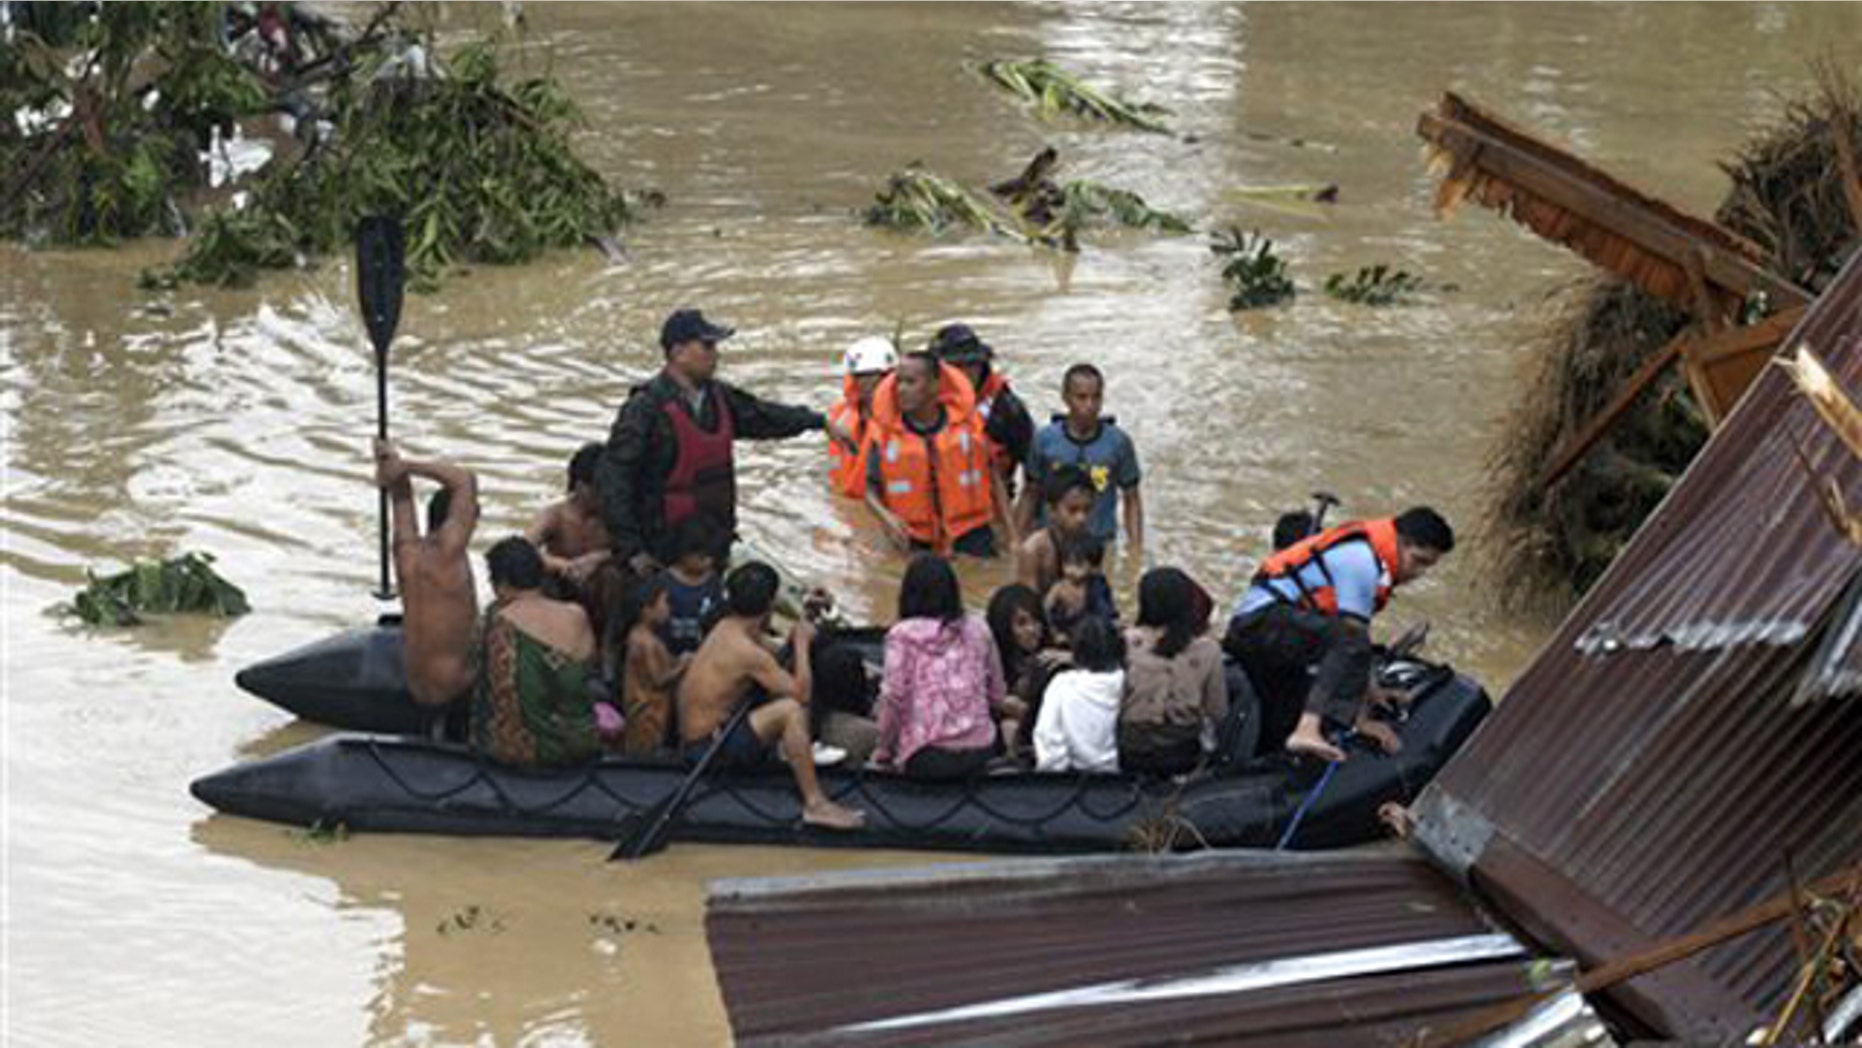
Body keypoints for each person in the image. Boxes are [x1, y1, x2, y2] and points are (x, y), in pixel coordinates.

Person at [598, 308, 845, 574]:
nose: (716, 354)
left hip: (715, 541)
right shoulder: (644, 408)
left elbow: (765, 417)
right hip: (664, 548)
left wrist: (817, 421)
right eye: (707, 345)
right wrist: (632, 550)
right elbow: (614, 480)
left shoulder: (720, 397)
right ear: (678, 352)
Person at [1223, 507, 1456, 762]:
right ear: (1401, 542)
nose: (1418, 573)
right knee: (1349, 638)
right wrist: (1361, 721)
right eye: (1418, 560)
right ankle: (1307, 729)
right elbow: (1352, 640)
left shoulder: (1372, 556)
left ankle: (1270, 758)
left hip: (1279, 631)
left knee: (1282, 716)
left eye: (1428, 566)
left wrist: (1372, 690)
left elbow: (1354, 639)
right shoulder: (1361, 561)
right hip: (1259, 626)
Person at [675, 562, 864, 829]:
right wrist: (801, 643)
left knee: (782, 696)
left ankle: (798, 758)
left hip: (708, 734)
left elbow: (774, 662)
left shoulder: (728, 627)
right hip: (708, 750)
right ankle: (815, 804)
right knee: (790, 710)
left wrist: (807, 616)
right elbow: (802, 693)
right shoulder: (745, 650)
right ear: (770, 603)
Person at [872, 555, 1024, 780]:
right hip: (981, 751)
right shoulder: (979, 629)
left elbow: (894, 698)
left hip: (925, 757)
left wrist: (883, 751)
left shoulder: (901, 635)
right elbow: (997, 695)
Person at [864, 352, 1016, 557]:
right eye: (898, 382)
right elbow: (868, 489)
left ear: (935, 385)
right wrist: (887, 518)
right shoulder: (884, 437)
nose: (901, 389)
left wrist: (1012, 535)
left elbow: (995, 478)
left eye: (911, 382)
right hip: (915, 539)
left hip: (972, 535)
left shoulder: (970, 427)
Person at [469, 536, 602, 767]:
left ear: (500, 583)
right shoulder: (576, 615)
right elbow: (589, 663)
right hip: (580, 747)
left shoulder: (496, 620)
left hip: (514, 753)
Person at [373, 438, 480, 707]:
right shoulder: (449, 553)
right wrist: (407, 465)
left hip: (417, 687)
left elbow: (401, 499)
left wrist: (390, 464)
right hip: (454, 687)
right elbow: (464, 480)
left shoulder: (405, 552)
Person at [1018, 363, 1144, 558]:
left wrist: (1135, 549)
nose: (1089, 405)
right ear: (1066, 398)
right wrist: (1017, 540)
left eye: (1096, 397)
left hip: (1100, 541)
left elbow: (1132, 497)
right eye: (1081, 397)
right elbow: (1029, 493)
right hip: (1053, 542)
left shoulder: (1118, 442)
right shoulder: (1044, 440)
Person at [1118, 568, 1229, 776]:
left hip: (1130, 753)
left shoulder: (1126, 642)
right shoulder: (1209, 650)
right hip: (1181, 756)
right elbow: (1217, 711)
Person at [929, 322, 1035, 502]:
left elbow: (1034, 473)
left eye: (971, 364)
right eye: (955, 366)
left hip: (992, 506)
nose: (964, 373)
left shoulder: (1006, 409)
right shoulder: (923, 405)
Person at [1032, 616, 1126, 773]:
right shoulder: (1128, 682)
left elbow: (1048, 739)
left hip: (1072, 779)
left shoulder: (1062, 684)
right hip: (1120, 778)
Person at [986, 583, 1063, 759]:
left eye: (1036, 621)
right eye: (1022, 623)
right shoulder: (988, 663)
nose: (1032, 629)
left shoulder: (1053, 661)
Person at [616, 574, 687, 755]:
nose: (668, 609)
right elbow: (659, 679)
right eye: (664, 603)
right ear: (647, 609)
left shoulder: (645, 637)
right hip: (647, 712)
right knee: (646, 752)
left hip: (654, 709)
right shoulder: (644, 641)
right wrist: (684, 665)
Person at [827, 336, 897, 499]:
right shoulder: (840, 415)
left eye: (873, 376)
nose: (867, 383)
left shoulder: (902, 419)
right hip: (848, 497)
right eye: (860, 376)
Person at [1015, 465, 1097, 595]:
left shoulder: (1091, 545)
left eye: (1087, 510)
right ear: (1050, 511)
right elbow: (1029, 604)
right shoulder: (1033, 551)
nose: (1081, 518)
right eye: (1073, 510)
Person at [661, 516, 723, 656]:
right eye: (702, 557)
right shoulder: (665, 582)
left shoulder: (713, 581)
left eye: (711, 557)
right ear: (683, 552)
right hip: (668, 650)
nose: (708, 562)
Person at [1044, 532, 1119, 639]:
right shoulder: (1059, 587)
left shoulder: (1098, 584)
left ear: (1094, 568)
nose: (1070, 570)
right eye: (1067, 563)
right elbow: (1046, 609)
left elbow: (1106, 610)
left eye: (1078, 565)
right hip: (1066, 633)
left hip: (1092, 631)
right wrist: (1054, 632)